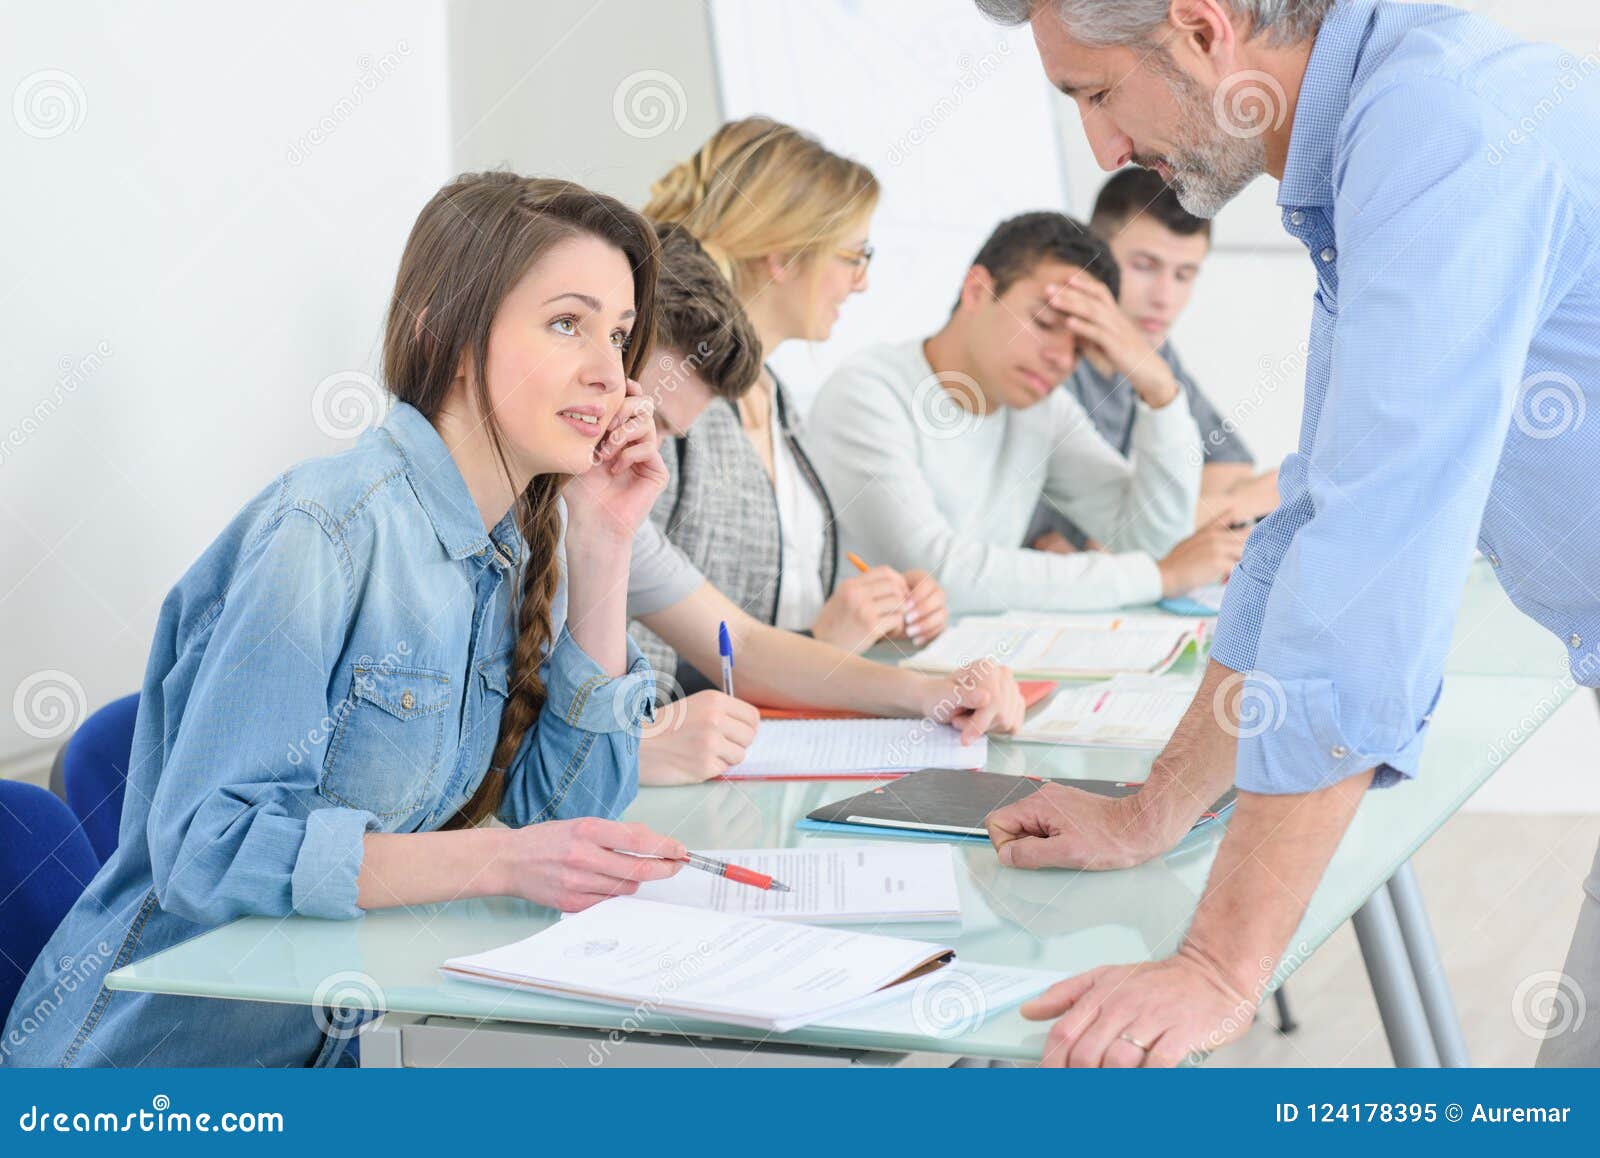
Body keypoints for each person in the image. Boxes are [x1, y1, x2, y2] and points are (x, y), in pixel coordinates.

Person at [975, 0, 1600, 1068]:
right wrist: (1152, 809)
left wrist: (1219, 967)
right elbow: (1313, 514)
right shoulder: (1391, 118)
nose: (1104, 148)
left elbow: (1372, 556)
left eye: (1094, 92)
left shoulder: (1438, 132)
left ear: (1202, 28)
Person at [1, 174, 690, 1067]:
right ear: (440, 331)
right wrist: (498, 862)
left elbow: (570, 814)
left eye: (620, 335)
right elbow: (208, 850)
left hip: (320, 1059)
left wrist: (604, 540)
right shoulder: (323, 532)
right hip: (141, 1080)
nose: (610, 370)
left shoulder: (506, 549)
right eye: (568, 323)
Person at [626, 224, 1026, 785]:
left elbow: (741, 642)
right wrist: (626, 750)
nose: (653, 457)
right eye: (651, 421)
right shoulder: (554, 503)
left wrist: (930, 693)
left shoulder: (610, 509)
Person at [808, 210, 1245, 614]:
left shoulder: (1042, 410)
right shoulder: (869, 392)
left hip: (974, 672)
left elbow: (1151, 539)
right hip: (868, 677)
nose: (1060, 357)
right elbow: (940, 573)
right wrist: (1157, 578)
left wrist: (1161, 391)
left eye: (1080, 345)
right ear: (977, 290)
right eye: (1045, 323)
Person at [641, 117, 948, 659]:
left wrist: (872, 613)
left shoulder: (778, 400)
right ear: (782, 255)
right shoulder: (675, 400)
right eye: (853, 257)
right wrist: (817, 645)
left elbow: (779, 595)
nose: (863, 282)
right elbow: (629, 649)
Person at [1027, 167, 1278, 553]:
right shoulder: (1044, 360)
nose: (1164, 297)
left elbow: (1231, 466)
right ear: (1093, 257)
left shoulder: (1155, 350)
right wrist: (1234, 506)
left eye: (1184, 275)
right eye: (1145, 266)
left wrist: (1224, 506)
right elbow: (1087, 550)